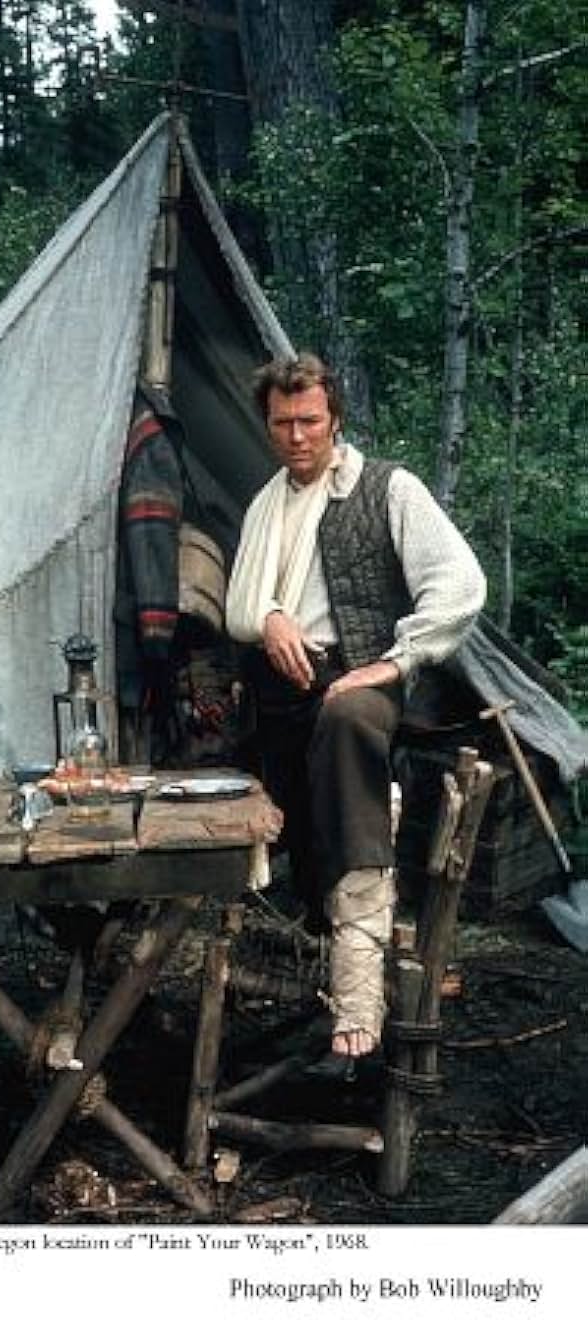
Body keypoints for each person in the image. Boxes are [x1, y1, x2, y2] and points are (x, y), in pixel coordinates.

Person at [226, 354, 486, 1062]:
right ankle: (312, 939)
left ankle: (359, 986)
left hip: (359, 681)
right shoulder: (264, 505)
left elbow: (461, 583)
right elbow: (241, 608)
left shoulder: (388, 487)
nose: (297, 436)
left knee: (344, 723)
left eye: (310, 420)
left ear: (335, 417)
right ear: (268, 425)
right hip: (283, 692)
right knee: (277, 817)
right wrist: (272, 615)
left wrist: (394, 661)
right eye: (283, 423)